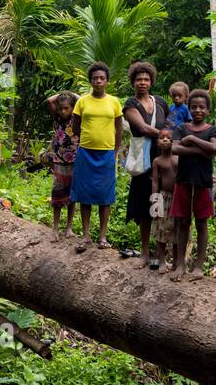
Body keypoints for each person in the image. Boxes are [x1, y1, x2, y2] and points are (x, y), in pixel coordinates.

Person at [70, 62, 123, 250]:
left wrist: (115, 151)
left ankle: (102, 237)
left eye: (101, 78)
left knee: (105, 195)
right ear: (90, 81)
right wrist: (84, 140)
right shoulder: (82, 101)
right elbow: (75, 127)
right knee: (84, 194)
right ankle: (85, 235)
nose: (98, 81)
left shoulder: (114, 102)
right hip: (85, 153)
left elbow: (119, 128)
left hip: (107, 154)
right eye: (95, 78)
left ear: (107, 81)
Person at [170, 89, 216, 282]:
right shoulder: (182, 128)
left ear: (207, 110)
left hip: (203, 181)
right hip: (183, 179)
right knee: (182, 222)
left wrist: (191, 141)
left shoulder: (212, 129)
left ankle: (198, 266)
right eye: (194, 107)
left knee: (201, 223)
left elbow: (214, 148)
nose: (198, 110)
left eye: (202, 107)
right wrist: (201, 149)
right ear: (189, 109)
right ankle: (180, 263)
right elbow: (173, 147)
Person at [122, 61, 168, 268]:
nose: (143, 82)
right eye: (139, 79)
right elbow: (142, 127)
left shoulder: (160, 102)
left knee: (159, 204)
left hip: (162, 159)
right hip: (143, 161)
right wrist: (168, 136)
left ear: (151, 81)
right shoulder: (130, 104)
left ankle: (160, 254)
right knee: (143, 207)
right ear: (133, 82)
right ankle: (144, 253)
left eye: (146, 79)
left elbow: (170, 122)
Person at [46, 91, 78, 237]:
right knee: (58, 193)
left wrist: (71, 94)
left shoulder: (77, 118)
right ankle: (55, 228)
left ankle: (69, 228)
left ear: (72, 108)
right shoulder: (58, 119)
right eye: (61, 108)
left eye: (67, 108)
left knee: (72, 195)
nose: (63, 111)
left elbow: (82, 100)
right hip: (59, 160)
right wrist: (64, 93)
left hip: (75, 161)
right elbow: (49, 101)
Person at [149, 126, 177, 272]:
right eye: (161, 137)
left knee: (177, 230)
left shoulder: (178, 159)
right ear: (157, 142)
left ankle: (177, 262)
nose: (165, 139)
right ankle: (161, 261)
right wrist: (155, 198)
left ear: (174, 140)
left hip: (177, 198)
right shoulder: (157, 161)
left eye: (168, 137)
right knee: (160, 230)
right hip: (162, 197)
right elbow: (155, 181)